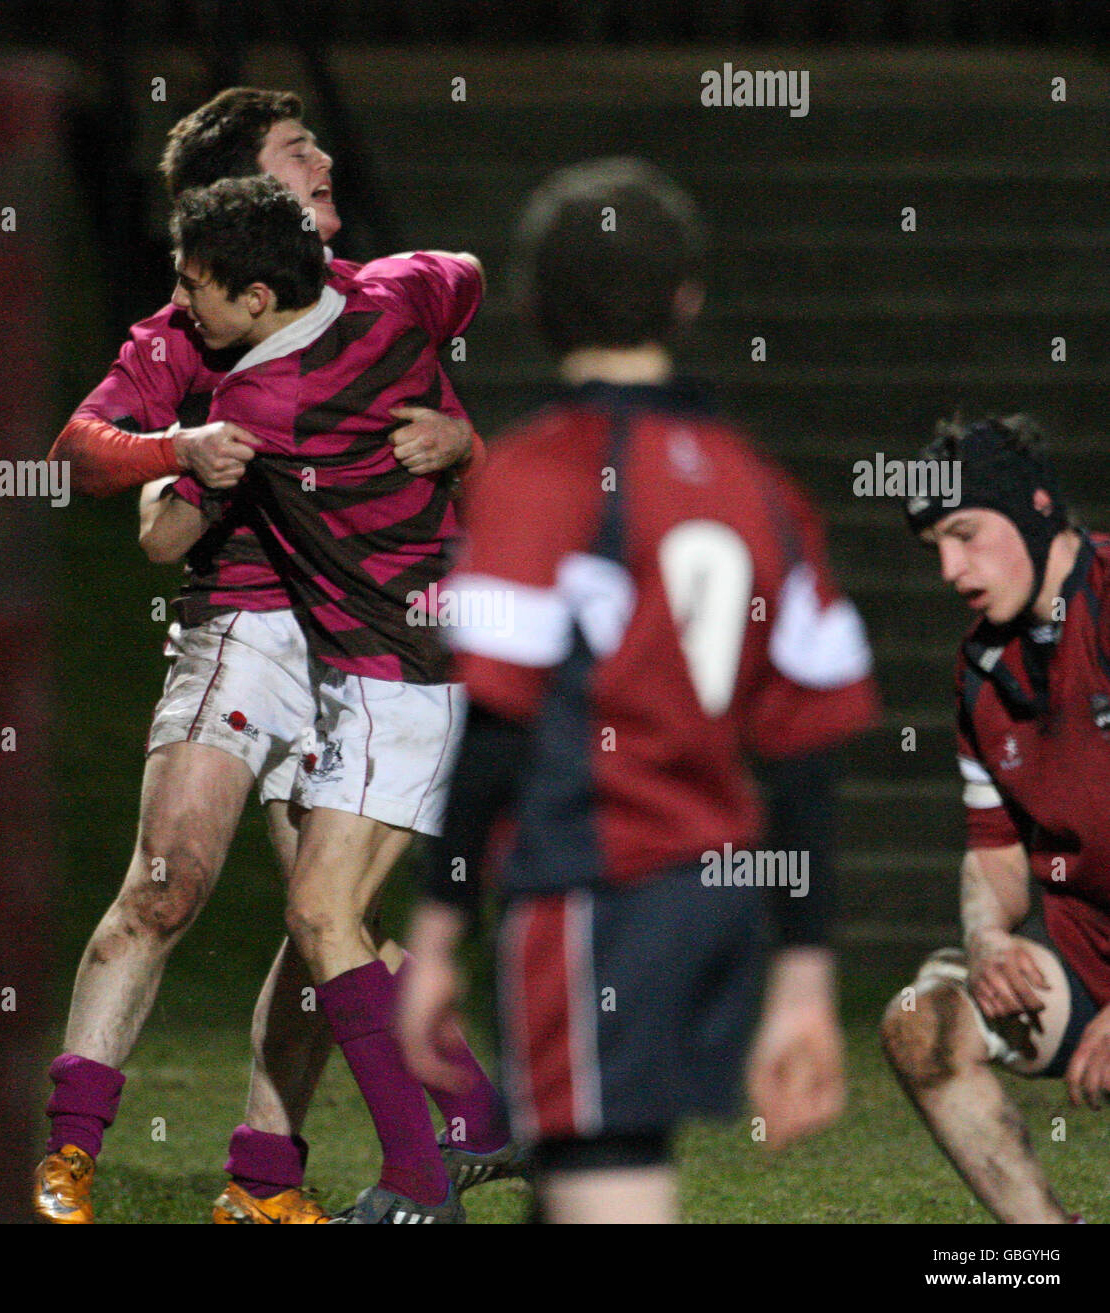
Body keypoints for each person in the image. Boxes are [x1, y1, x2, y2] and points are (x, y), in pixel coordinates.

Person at [395, 157, 880, 1224]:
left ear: (529, 306)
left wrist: (435, 928)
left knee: (607, 1183)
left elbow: (499, 726)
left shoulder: (540, 470)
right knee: (575, 1177)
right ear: (688, 301)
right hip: (710, 901)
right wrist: (804, 971)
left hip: (592, 890)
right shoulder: (762, 485)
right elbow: (805, 751)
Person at [33, 88, 483, 1225]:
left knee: (321, 917)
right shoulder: (188, 335)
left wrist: (465, 438)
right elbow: (101, 469)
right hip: (253, 620)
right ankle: (71, 1151)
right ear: (241, 199)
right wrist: (180, 456)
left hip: (372, 640)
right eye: (298, 151)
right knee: (174, 878)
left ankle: (265, 1175)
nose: (325, 156)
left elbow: (456, 307)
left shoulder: (375, 295)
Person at [140, 174, 515, 1224]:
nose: (181, 306)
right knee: (329, 916)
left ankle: (421, 1175)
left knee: (321, 912)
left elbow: (164, 538)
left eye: (195, 287)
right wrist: (449, 415)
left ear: (259, 300)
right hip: (409, 657)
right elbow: (468, 274)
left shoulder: (257, 404)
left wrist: (171, 455)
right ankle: (473, 1119)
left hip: (404, 669)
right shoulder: (397, 296)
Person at [880, 415, 1110, 1223]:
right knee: (920, 1024)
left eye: (966, 534)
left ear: (1036, 508)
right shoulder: (983, 667)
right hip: (1090, 964)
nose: (950, 568)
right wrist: (985, 937)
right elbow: (995, 847)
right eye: (935, 546)